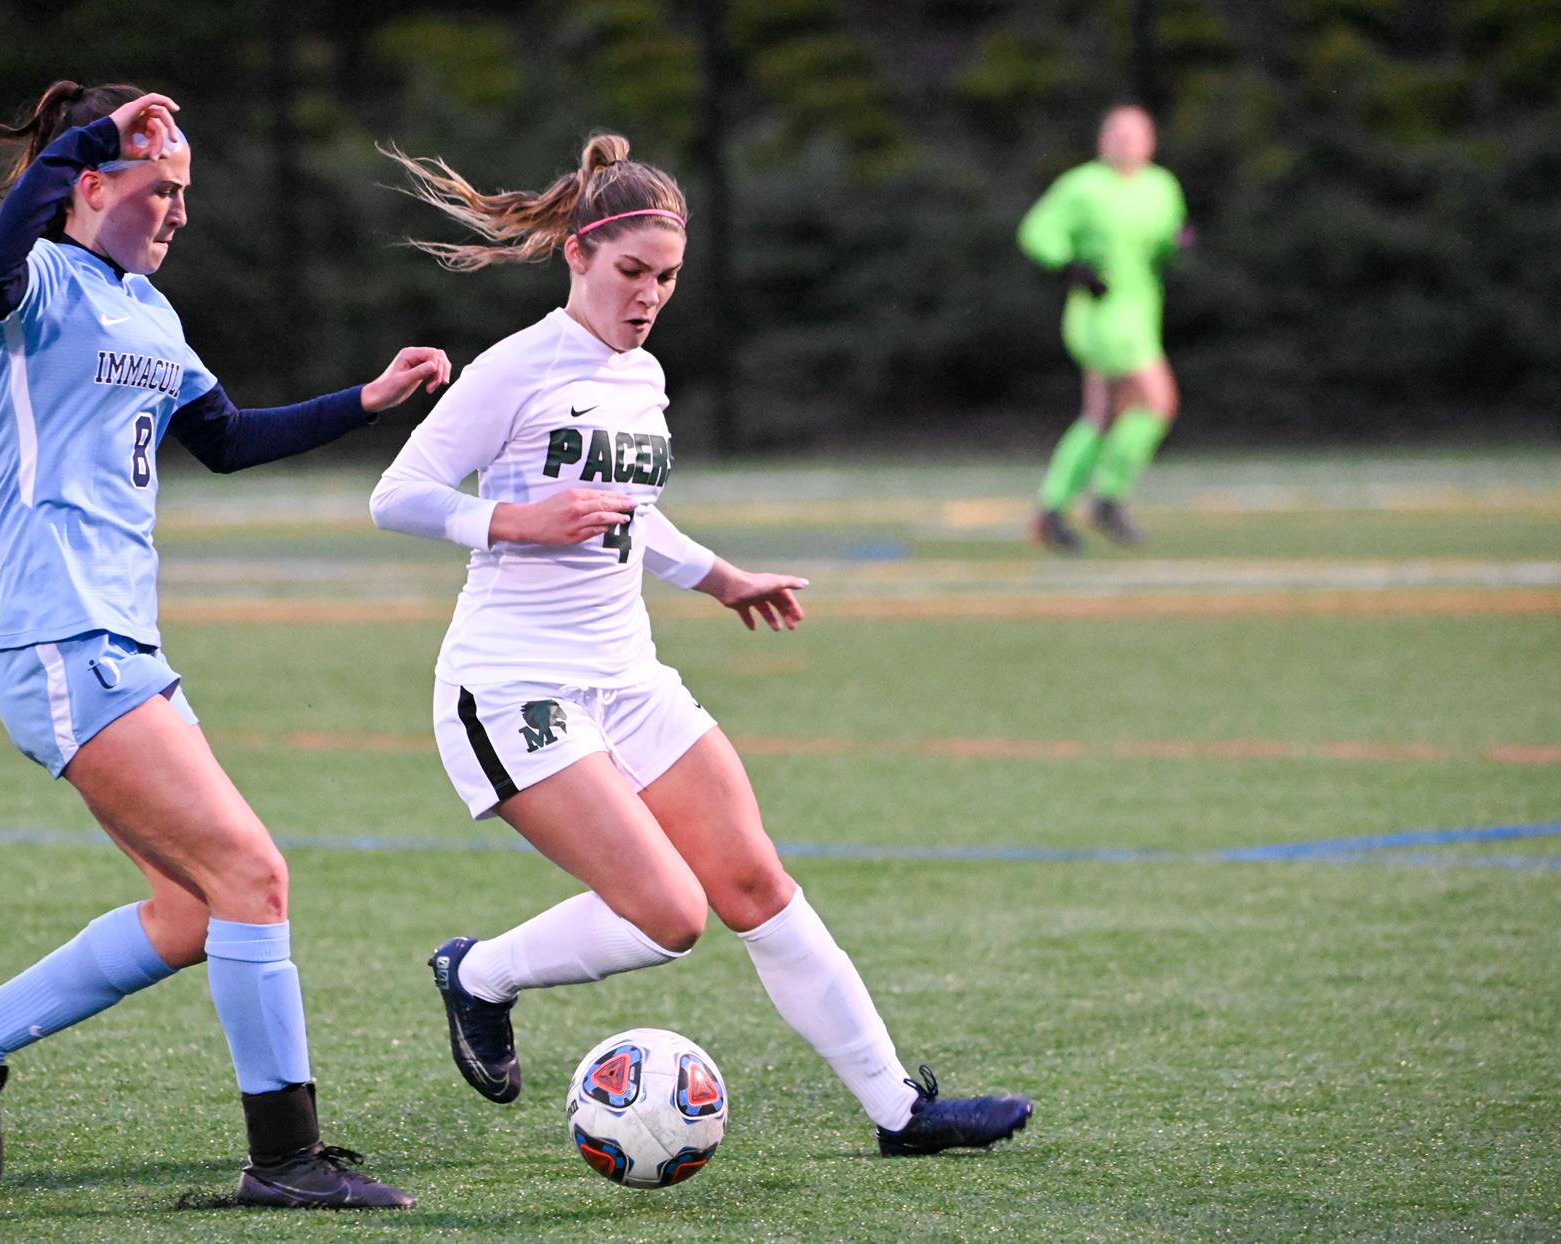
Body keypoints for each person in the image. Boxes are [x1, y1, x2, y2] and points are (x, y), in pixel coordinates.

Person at [369, 134, 1032, 1158]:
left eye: (667, 276)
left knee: (754, 884)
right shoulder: (518, 366)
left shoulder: (643, 374)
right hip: (513, 686)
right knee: (667, 914)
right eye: (631, 270)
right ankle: (479, 974)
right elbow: (397, 495)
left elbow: (633, 514)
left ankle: (900, 1110)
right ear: (577, 254)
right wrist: (510, 522)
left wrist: (719, 577)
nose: (648, 294)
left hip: (628, 677)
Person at [0, 80, 451, 1209]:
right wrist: (93, 136)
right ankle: (286, 1157)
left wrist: (370, 397)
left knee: (196, 909)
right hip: (57, 634)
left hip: (120, 641)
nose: (179, 213)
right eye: (160, 188)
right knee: (253, 872)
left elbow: (228, 438)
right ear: (88, 184)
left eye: (185, 193)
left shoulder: (149, 308)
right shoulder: (35, 282)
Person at [1018, 104, 1189, 551]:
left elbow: (1168, 240)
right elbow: (1038, 231)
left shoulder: (1161, 186)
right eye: (1116, 133)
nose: (1125, 142)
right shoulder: (1083, 185)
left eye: (1135, 134)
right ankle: (1107, 498)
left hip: (1141, 312)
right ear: (1101, 139)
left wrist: (1180, 244)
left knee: (1102, 417)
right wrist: (1069, 265)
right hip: (1102, 315)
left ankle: (1052, 510)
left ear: (1150, 141)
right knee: (1157, 402)